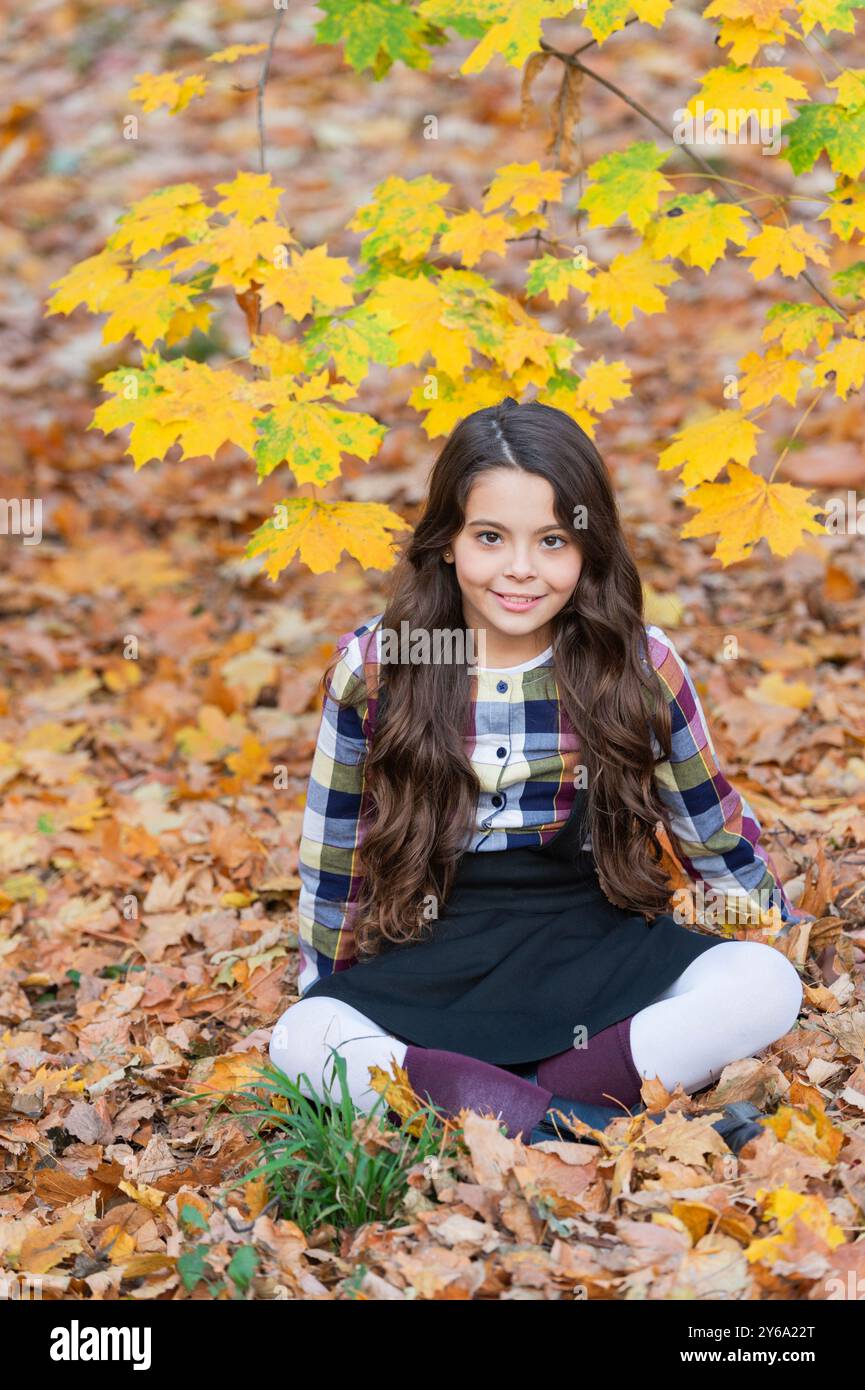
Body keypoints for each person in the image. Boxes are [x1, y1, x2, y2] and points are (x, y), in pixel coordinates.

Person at [268, 397, 808, 1148]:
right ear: (447, 543)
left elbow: (707, 828)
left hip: (588, 945)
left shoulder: (635, 666)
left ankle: (500, 1108)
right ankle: (573, 1121)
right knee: (302, 1039)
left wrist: (769, 930)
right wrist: (329, 988)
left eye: (551, 540)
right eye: (490, 537)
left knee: (764, 987)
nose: (519, 570)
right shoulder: (380, 666)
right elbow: (335, 853)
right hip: (432, 952)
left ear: (589, 549)